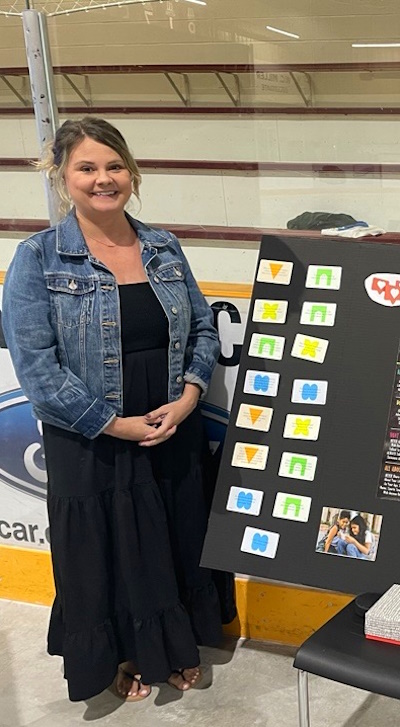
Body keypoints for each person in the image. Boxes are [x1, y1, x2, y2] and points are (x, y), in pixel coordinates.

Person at [2, 117, 235, 703]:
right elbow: (36, 367)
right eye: (87, 168)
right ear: (62, 177)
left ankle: (175, 645)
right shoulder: (38, 258)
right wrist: (111, 423)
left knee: (173, 533)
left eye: (114, 166)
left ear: (131, 173)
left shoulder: (163, 246)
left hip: (168, 421)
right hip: (90, 435)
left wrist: (187, 398)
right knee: (109, 549)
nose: (103, 179)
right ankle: (123, 655)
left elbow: (204, 330)